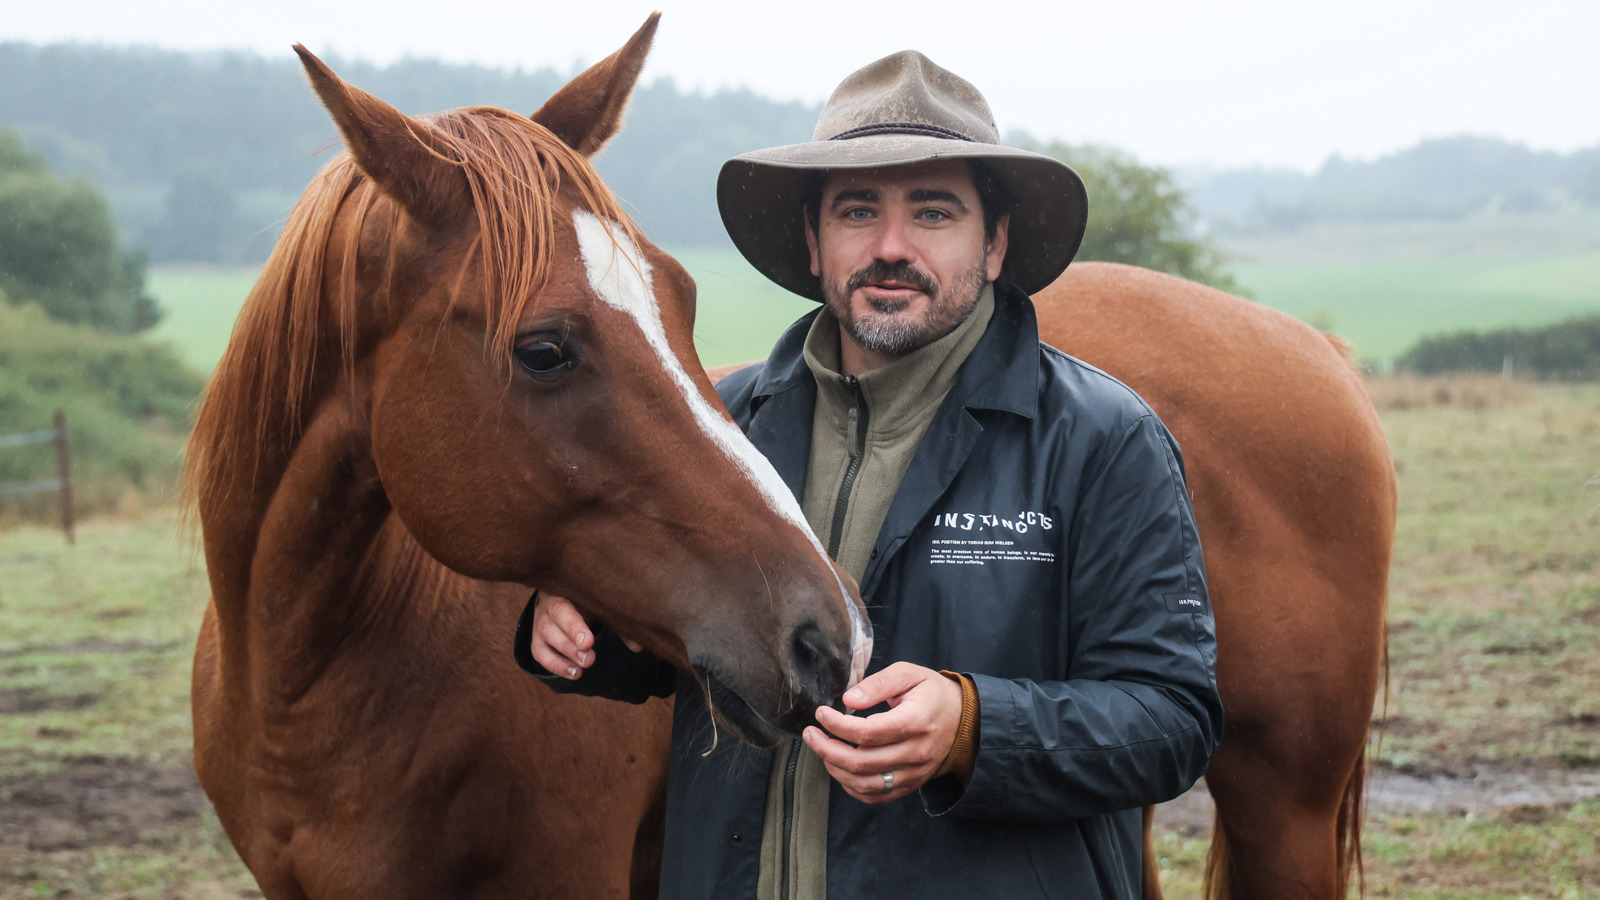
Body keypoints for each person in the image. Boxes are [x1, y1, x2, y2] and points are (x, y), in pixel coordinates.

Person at [516, 50, 1223, 899]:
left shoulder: (1101, 438)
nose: (891, 248)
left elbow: (1172, 722)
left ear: (993, 243)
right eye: (858, 211)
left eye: (933, 213)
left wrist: (974, 726)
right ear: (814, 243)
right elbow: (685, 637)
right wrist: (578, 629)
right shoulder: (725, 420)